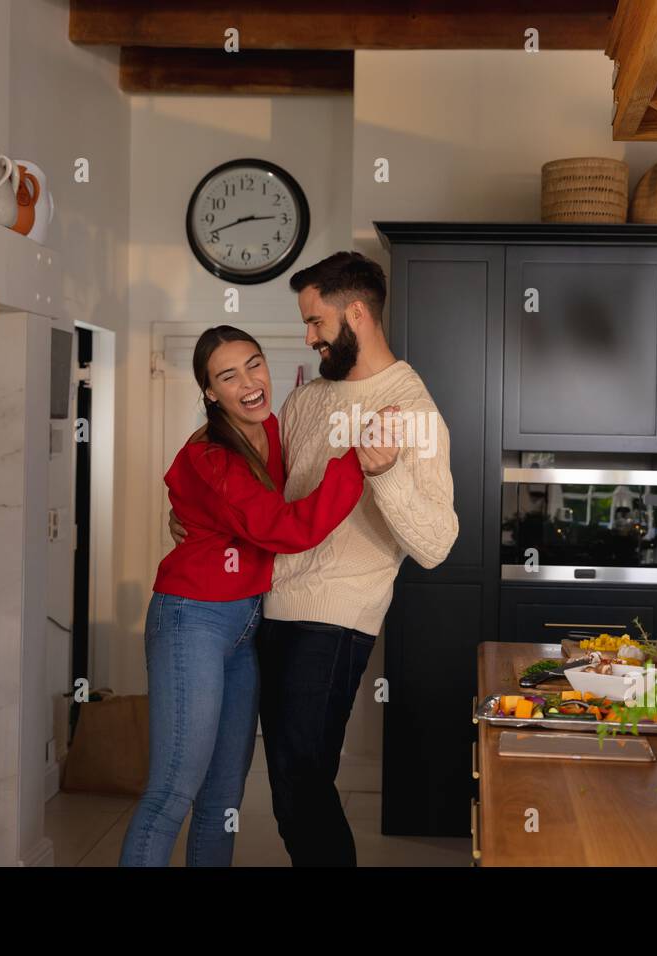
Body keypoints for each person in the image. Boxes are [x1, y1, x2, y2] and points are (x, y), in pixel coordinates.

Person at [171, 252, 459, 865]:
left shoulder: (414, 411)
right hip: (268, 608)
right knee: (287, 788)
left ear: (355, 313)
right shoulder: (306, 404)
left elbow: (436, 544)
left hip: (335, 616)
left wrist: (384, 476)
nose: (308, 338)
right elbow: (260, 504)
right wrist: (196, 521)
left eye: (315, 322)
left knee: (300, 778)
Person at [120, 325, 378, 867]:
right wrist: (357, 461)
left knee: (222, 801)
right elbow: (285, 529)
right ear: (210, 392)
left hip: (247, 625)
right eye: (228, 376)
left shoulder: (271, 430)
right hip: (193, 618)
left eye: (254, 364)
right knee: (172, 792)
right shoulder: (211, 456)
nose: (249, 382)